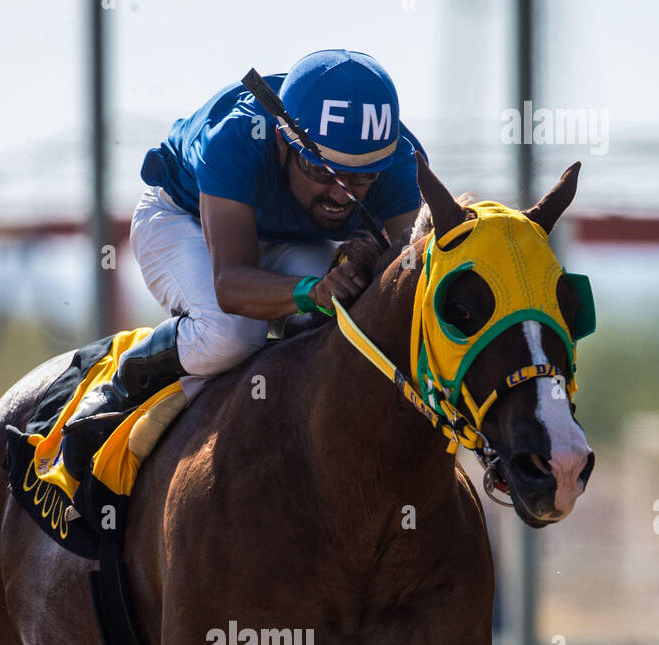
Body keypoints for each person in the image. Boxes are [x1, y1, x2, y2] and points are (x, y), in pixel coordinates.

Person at [62, 49, 426, 480]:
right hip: (184, 221)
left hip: (293, 240)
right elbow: (231, 286)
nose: (340, 195)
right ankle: (124, 380)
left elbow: (416, 274)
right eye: (321, 170)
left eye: (362, 179)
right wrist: (314, 289)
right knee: (231, 333)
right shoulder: (236, 136)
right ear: (281, 141)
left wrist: (366, 255)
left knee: (325, 323)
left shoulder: (399, 161)